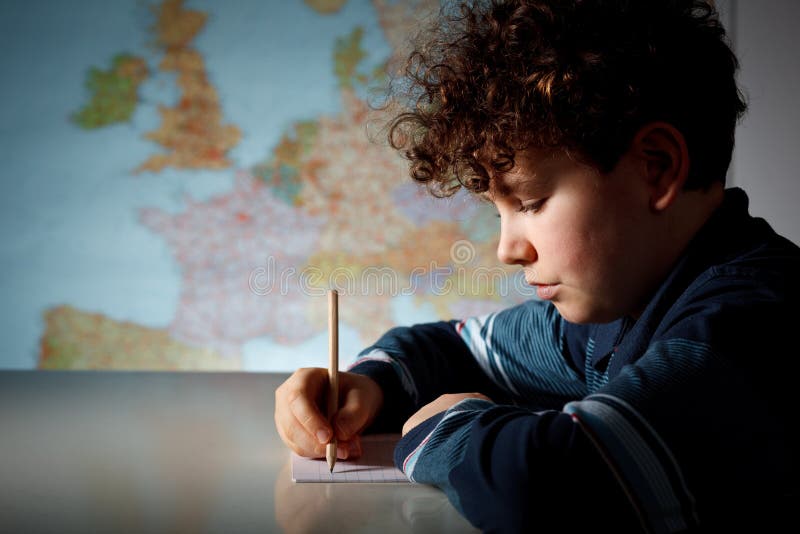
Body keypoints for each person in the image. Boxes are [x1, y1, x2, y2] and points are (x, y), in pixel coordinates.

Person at [274, 0, 799, 531]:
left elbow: (543, 482)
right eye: (499, 211)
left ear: (655, 168)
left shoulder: (753, 323)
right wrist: (371, 386)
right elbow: (457, 348)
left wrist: (448, 426)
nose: (507, 250)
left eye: (529, 202)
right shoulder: (624, 310)